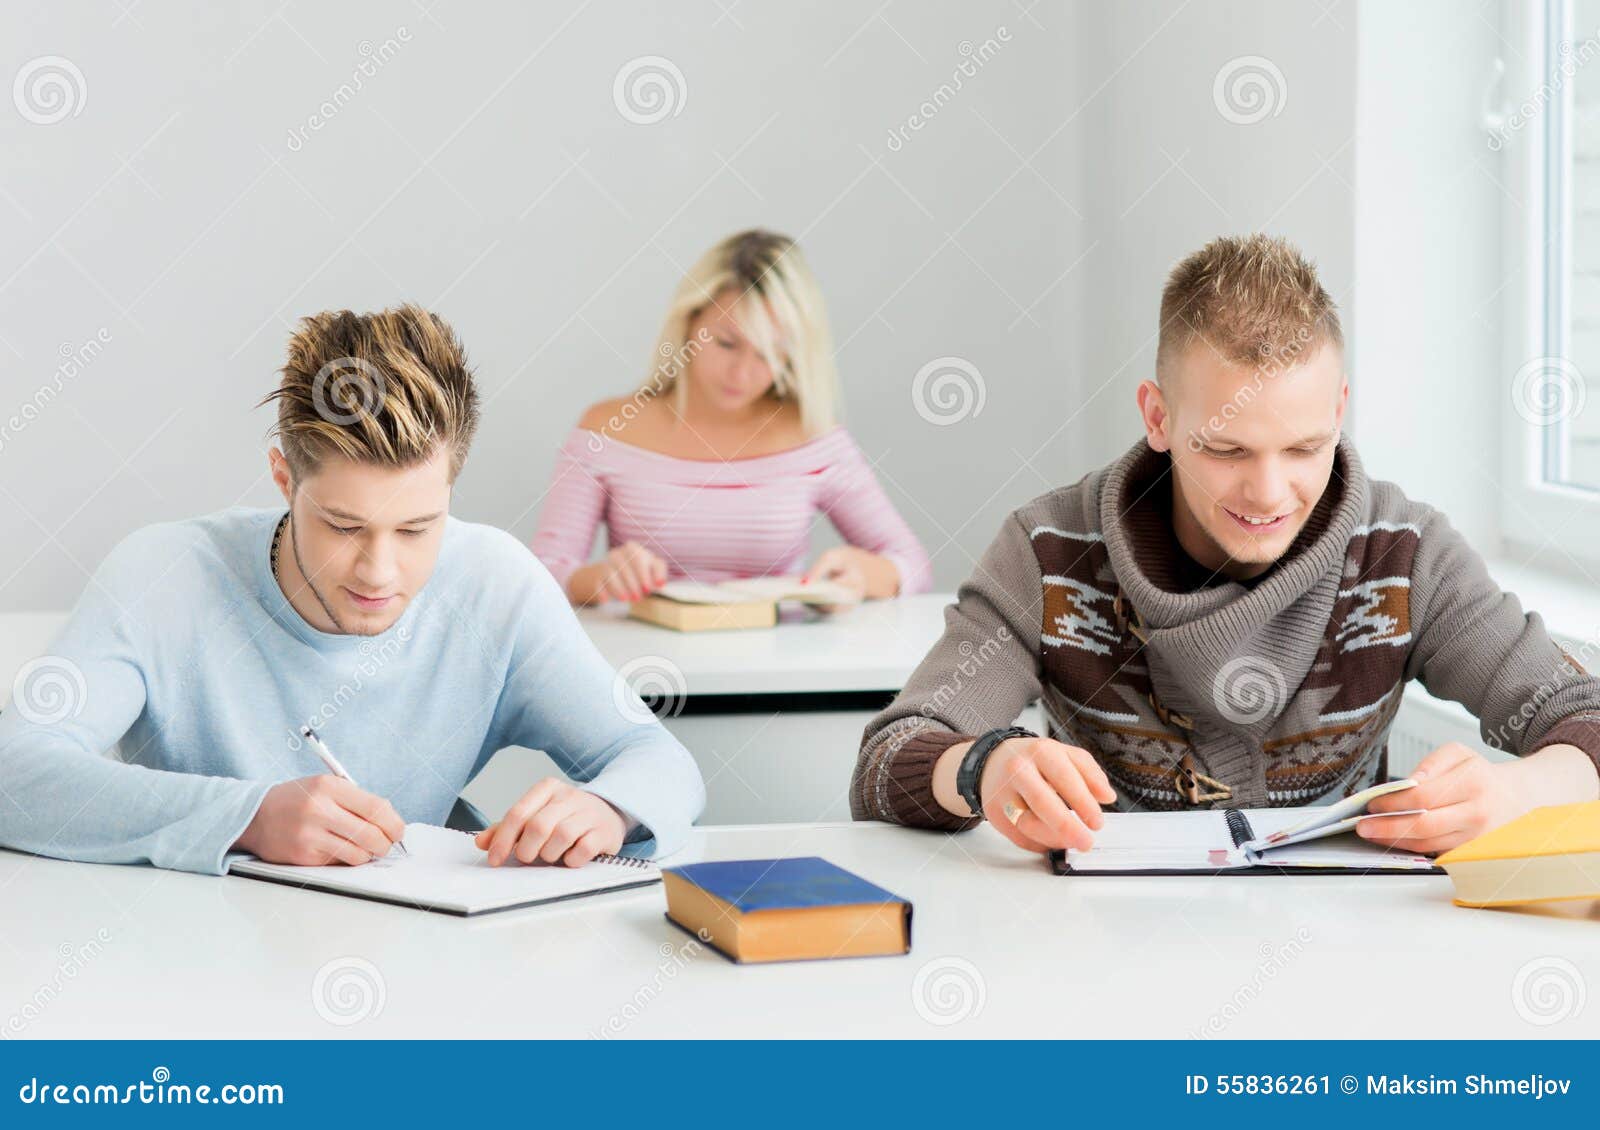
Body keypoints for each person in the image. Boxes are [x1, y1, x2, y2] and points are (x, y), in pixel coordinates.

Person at [852, 234, 1600, 858]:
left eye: (1304, 447)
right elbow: (887, 762)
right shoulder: (1049, 553)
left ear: (1340, 410)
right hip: (1107, 952)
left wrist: (1517, 792)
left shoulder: (1407, 554)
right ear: (1158, 417)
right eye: (1226, 449)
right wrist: (983, 767)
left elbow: (1584, 715)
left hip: (1343, 953)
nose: (1269, 494)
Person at [0, 304, 704, 875]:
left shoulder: (495, 584)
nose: (379, 572)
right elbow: (14, 772)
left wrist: (608, 810)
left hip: (424, 960)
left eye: (417, 528)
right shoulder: (164, 574)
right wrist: (247, 819)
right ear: (284, 479)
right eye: (343, 526)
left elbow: (660, 761)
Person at [532, 229, 931, 606]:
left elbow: (913, 565)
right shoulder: (608, 429)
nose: (741, 374)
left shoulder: (813, 438)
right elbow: (542, 575)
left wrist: (865, 575)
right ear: (689, 322)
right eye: (726, 343)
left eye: (769, 355)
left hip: (780, 653)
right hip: (641, 652)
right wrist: (598, 579)